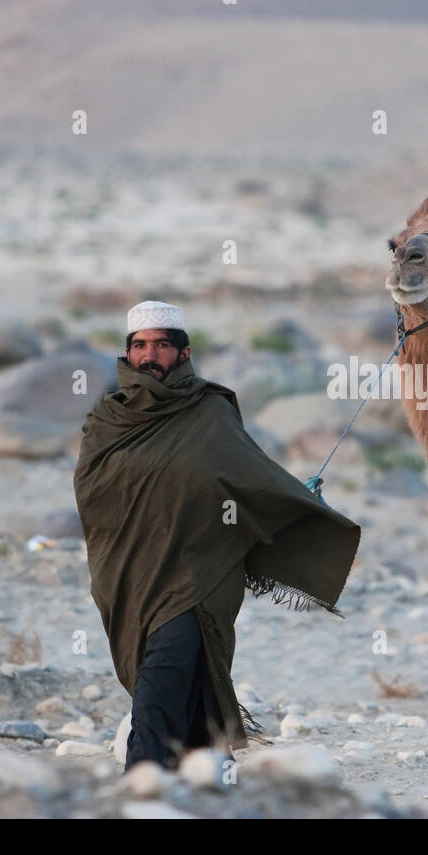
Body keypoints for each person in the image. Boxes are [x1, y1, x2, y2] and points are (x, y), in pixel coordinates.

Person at [74, 300, 360, 772]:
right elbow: (93, 489)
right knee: (180, 678)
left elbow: (246, 477)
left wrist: (293, 498)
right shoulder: (108, 420)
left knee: (163, 679)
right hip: (129, 575)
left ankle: (140, 781)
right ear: (126, 354)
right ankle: (206, 772)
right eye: (140, 346)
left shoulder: (210, 411)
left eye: (162, 345)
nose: (150, 355)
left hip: (200, 577)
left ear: (184, 354)